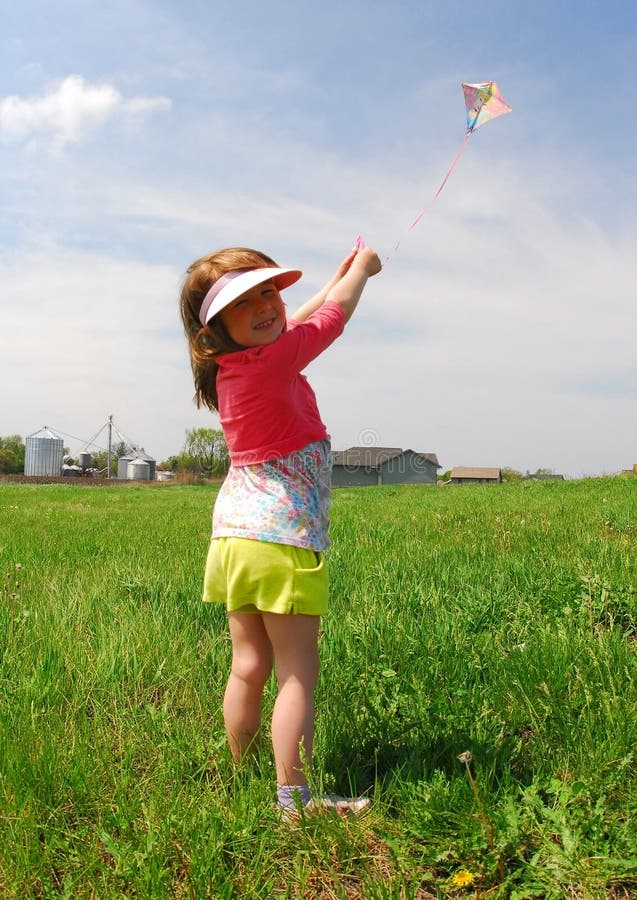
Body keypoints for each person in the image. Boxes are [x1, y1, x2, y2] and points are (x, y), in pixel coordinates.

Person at [179, 243, 381, 820]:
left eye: (270, 290)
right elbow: (328, 321)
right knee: (297, 673)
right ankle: (295, 805)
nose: (268, 305)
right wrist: (361, 274)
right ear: (217, 328)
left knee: (248, 665)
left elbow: (296, 322)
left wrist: (335, 276)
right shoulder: (273, 360)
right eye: (247, 302)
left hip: (232, 541)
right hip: (282, 541)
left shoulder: (232, 366)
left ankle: (238, 775)